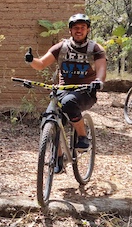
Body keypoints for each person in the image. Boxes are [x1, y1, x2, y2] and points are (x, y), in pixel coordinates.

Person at [24, 13, 106, 173]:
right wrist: (30, 60)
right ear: (70, 30)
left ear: (88, 30)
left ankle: (83, 137)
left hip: (85, 92)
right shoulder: (61, 47)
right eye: (76, 27)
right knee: (48, 120)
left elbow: (101, 70)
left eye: (82, 27)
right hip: (62, 91)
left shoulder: (94, 49)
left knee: (69, 103)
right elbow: (41, 64)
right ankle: (58, 157)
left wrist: (98, 82)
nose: (79, 30)